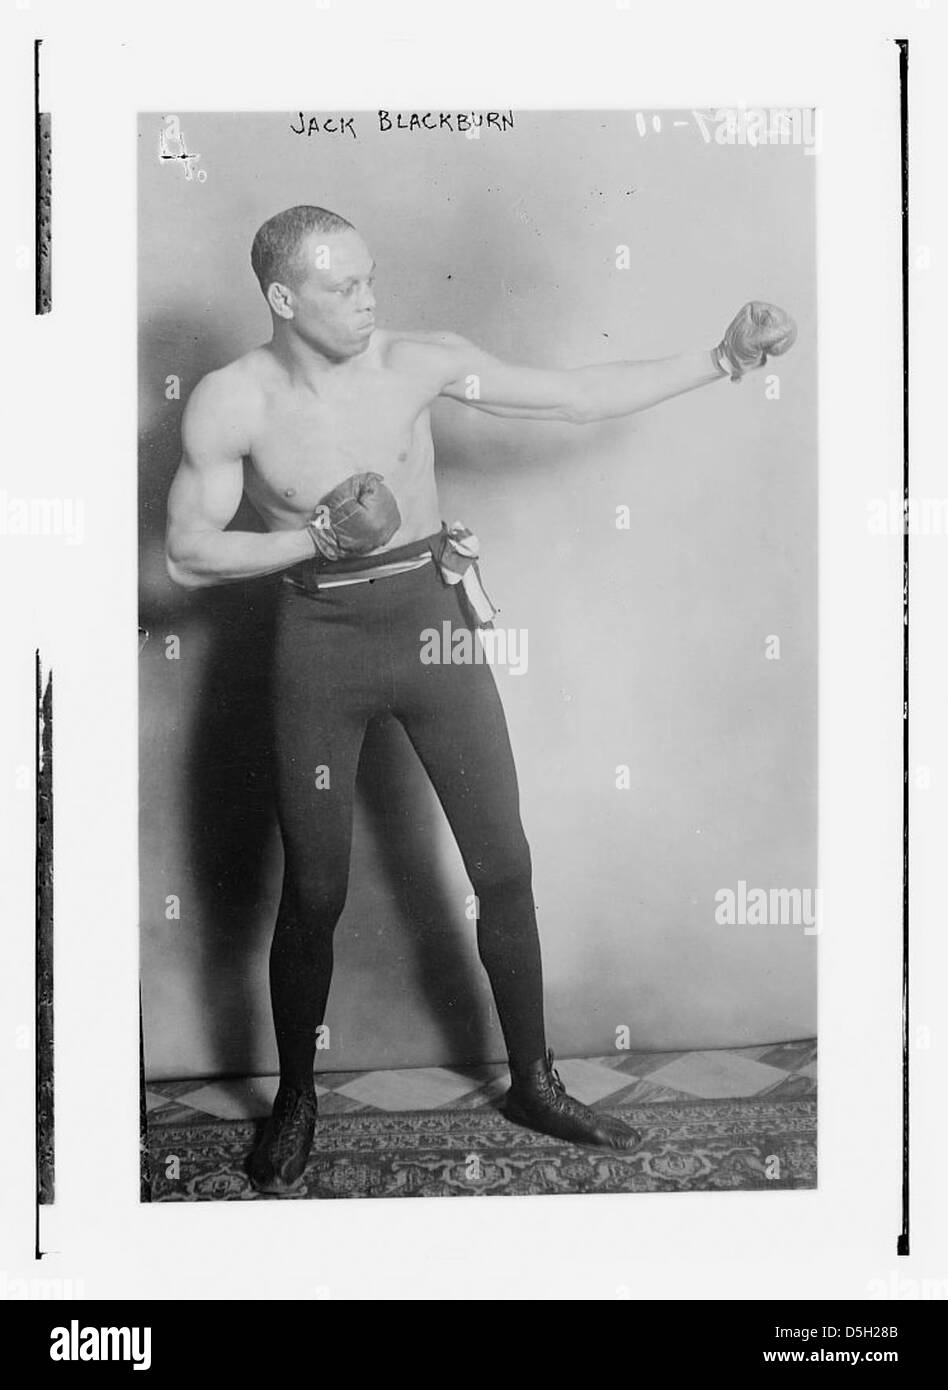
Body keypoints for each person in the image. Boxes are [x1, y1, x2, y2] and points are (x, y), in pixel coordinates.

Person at [164, 204, 797, 1195]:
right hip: (316, 644)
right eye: (343, 287)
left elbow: (575, 398)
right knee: (316, 890)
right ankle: (296, 1098)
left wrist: (721, 358)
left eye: (371, 278)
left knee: (502, 861)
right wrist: (315, 540)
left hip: (430, 629)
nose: (370, 300)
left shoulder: (418, 363)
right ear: (283, 299)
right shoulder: (228, 402)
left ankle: (536, 1078)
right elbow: (187, 556)